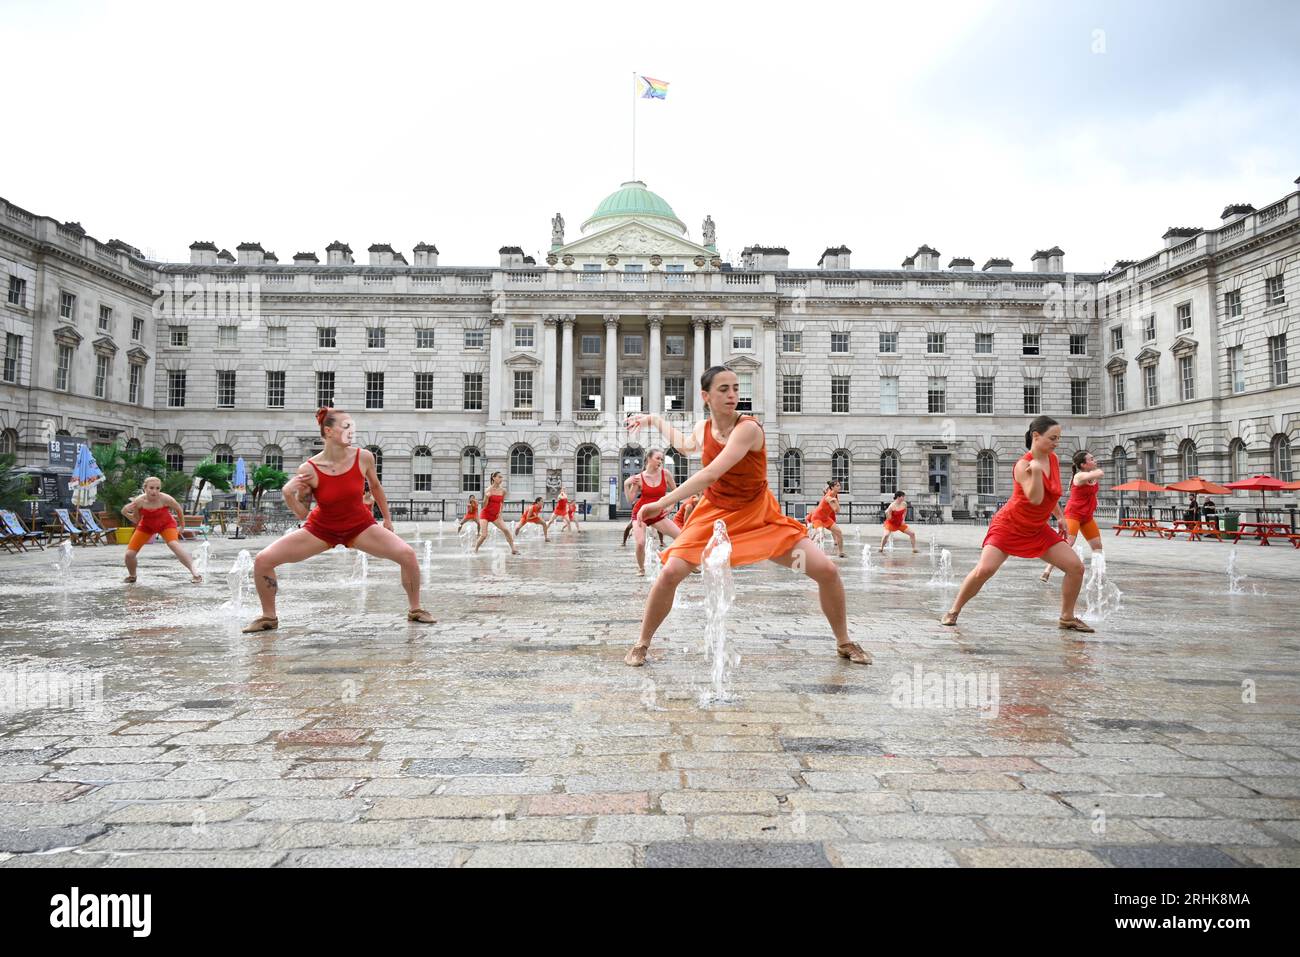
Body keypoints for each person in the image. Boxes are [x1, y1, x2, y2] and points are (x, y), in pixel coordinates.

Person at [622, 366, 870, 667]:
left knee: (827, 571)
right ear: (706, 396)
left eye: (736, 388)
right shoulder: (704, 429)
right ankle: (641, 643)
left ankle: (843, 641)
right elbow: (686, 447)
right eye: (724, 389)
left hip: (758, 515)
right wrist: (654, 420)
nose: (732, 395)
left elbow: (711, 472)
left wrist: (662, 501)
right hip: (714, 515)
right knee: (670, 573)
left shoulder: (748, 429)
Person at [242, 407, 436, 633]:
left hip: (360, 526)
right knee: (263, 560)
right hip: (321, 530)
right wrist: (288, 495)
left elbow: (375, 486)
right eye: (345, 427)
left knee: (408, 555)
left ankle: (415, 609)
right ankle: (268, 616)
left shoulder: (363, 457)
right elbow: (302, 514)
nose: (351, 431)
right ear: (329, 431)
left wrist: (388, 520)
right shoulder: (309, 469)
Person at [942, 415, 1092, 632]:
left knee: (1076, 567)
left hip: (1037, 528)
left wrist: (1059, 516)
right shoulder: (1023, 465)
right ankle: (953, 611)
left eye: (1058, 438)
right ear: (1036, 436)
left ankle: (1067, 617)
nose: (1056, 443)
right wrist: (1038, 472)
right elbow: (1035, 498)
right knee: (984, 570)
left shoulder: (1054, 460)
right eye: (1052, 438)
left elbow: (1050, 497)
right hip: (1009, 526)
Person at [120, 476, 202, 584]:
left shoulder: (165, 498)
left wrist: (182, 526)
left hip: (166, 525)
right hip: (146, 526)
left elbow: (178, 509)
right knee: (129, 554)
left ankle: (196, 574)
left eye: (157, 488)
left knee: (174, 545)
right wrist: (125, 512)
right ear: (145, 488)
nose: (154, 491)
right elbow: (136, 520)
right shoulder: (139, 501)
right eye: (151, 488)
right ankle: (132, 575)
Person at [1041, 450, 1104, 583]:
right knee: (1068, 543)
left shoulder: (1091, 476)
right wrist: (1096, 472)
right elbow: (1100, 473)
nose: (1095, 461)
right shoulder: (1078, 477)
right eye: (1091, 459)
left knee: (1097, 546)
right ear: (1083, 465)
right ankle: (1047, 570)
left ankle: (1098, 576)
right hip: (1073, 514)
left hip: (1087, 516)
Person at [623, 449, 682, 575]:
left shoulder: (665, 474)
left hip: (657, 515)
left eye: (662, 459)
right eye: (658, 458)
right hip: (640, 515)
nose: (660, 461)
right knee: (640, 543)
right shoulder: (639, 478)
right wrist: (625, 485)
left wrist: (671, 506)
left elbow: (676, 492)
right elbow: (630, 499)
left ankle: (686, 563)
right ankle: (641, 569)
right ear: (649, 459)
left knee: (681, 536)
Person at [474, 471, 518, 555]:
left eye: (501, 477)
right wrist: (486, 497)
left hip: (496, 515)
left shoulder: (503, 491)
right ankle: (475, 549)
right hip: (485, 514)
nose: (501, 479)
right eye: (499, 477)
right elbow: (484, 505)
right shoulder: (488, 490)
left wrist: (500, 513)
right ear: (494, 478)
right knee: (484, 535)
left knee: (506, 530)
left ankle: (513, 549)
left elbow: (502, 502)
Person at [807, 480, 846, 558]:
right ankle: (810, 550)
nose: (839, 487)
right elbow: (834, 508)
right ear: (832, 487)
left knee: (839, 532)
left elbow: (837, 510)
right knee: (820, 535)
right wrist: (834, 501)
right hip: (817, 517)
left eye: (839, 485)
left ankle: (841, 552)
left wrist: (836, 501)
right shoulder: (828, 496)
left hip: (825, 518)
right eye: (837, 486)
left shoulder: (835, 495)